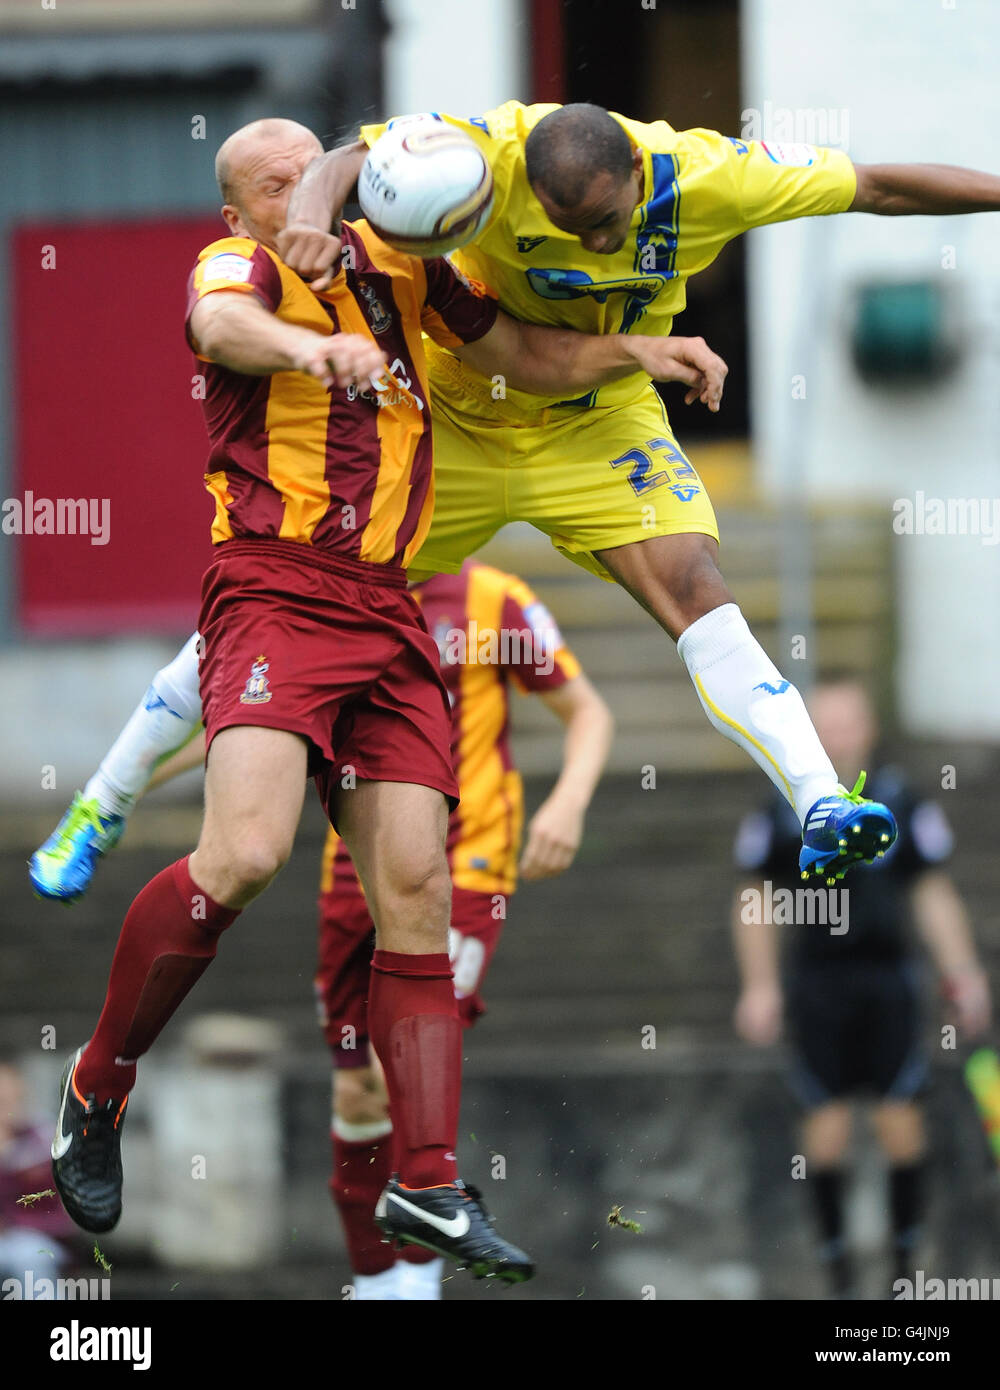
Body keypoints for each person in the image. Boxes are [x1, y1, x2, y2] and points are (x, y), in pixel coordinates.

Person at [47, 117, 721, 1286]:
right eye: (272, 179)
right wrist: (311, 353)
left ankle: (425, 1179)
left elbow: (519, 350)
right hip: (273, 589)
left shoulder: (403, 263)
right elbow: (222, 329)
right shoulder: (236, 271)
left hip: (389, 607)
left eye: (315, 168)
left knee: (413, 889)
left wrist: (637, 357)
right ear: (241, 210)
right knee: (247, 853)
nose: (302, 186)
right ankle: (97, 1081)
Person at [280, 100, 1000, 885]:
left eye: (605, 223)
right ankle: (122, 782)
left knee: (693, 582)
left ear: (634, 169)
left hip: (599, 425)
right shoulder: (492, 146)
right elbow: (351, 156)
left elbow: (878, 186)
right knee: (301, 585)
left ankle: (820, 799)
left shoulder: (717, 176)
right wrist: (311, 220)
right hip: (456, 416)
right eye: (569, 226)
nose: (593, 243)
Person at [315, 559, 612, 1298]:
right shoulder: (333, 588)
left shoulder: (493, 600)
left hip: (466, 864)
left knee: (395, 1074)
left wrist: (567, 803)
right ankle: (377, 1285)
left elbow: (589, 712)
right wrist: (119, 789)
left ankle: (416, 1287)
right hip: (353, 865)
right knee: (355, 1093)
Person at [731, 675, 991, 1297]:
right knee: (825, 1124)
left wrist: (962, 972)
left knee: (901, 1116)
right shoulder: (779, 808)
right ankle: (839, 1275)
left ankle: (903, 1273)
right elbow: (754, 897)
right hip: (817, 985)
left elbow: (932, 891)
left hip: (888, 982)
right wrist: (760, 985)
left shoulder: (901, 800)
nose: (839, 733)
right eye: (827, 722)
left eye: (849, 720)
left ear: (869, 728)